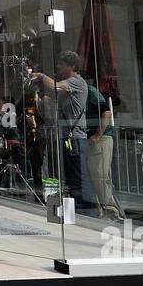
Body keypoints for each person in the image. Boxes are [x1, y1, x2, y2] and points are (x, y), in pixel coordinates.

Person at [31, 51, 95, 210]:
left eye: (61, 63)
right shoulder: (68, 83)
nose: (58, 66)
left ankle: (83, 203)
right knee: (70, 170)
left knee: (76, 170)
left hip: (76, 136)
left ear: (71, 65)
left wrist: (40, 76)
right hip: (67, 135)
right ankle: (76, 201)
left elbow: (54, 85)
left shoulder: (76, 82)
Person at [84, 73, 120, 220]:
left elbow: (106, 112)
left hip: (100, 138)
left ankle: (110, 209)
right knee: (96, 175)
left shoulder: (90, 91)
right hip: (91, 138)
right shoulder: (83, 93)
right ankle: (102, 209)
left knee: (99, 174)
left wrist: (98, 134)